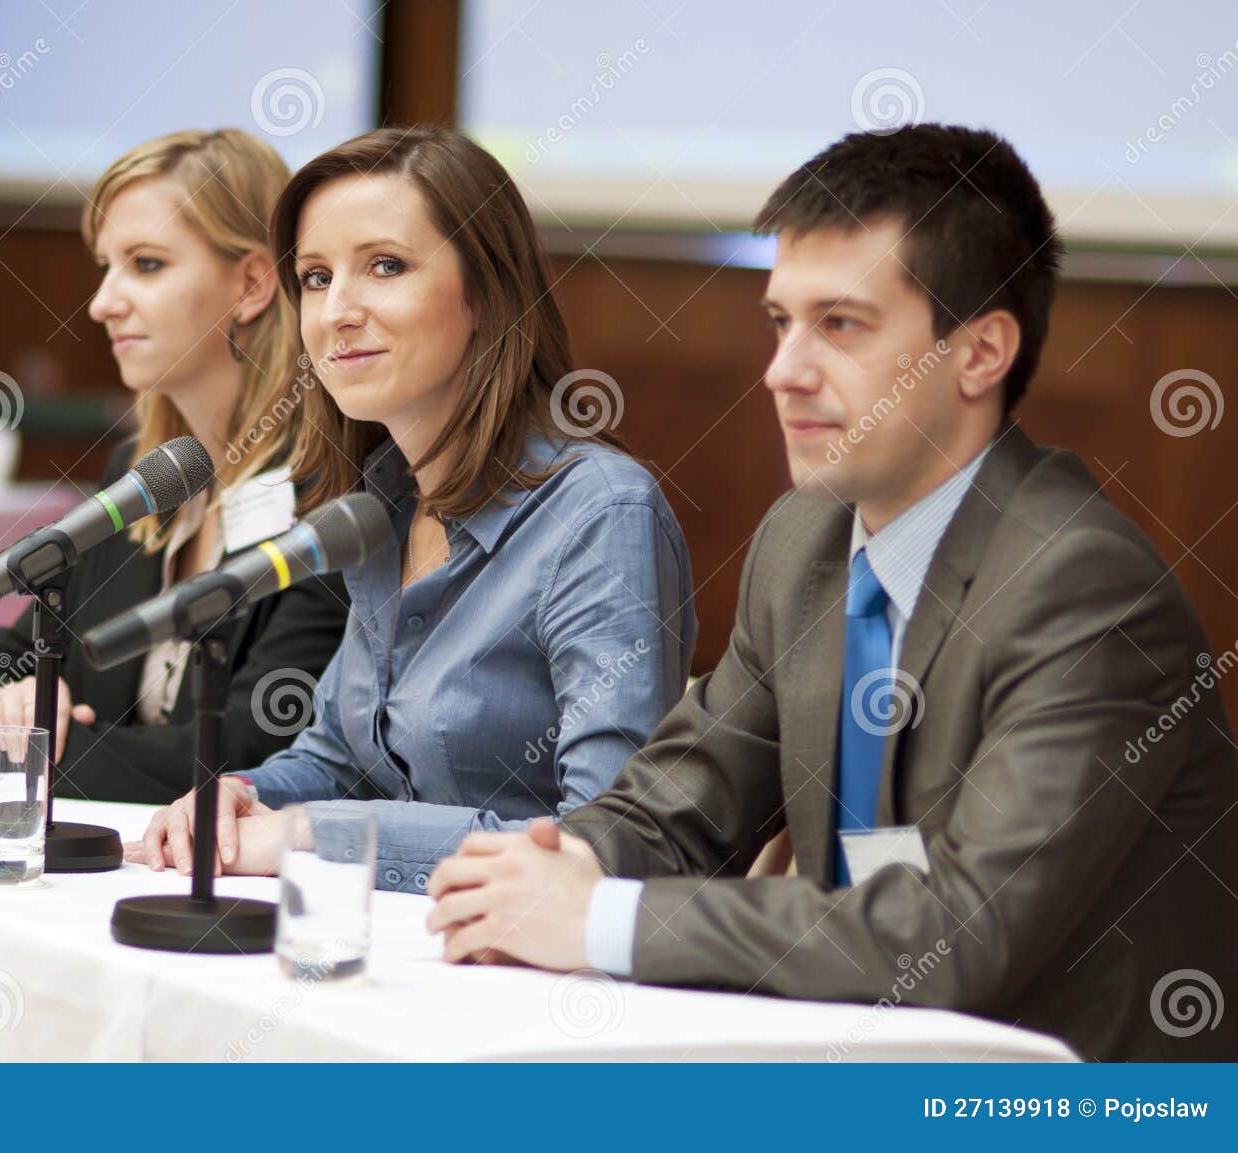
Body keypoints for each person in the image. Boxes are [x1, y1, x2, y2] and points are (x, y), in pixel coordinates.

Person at [426, 124, 1238, 1062]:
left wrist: (602, 919)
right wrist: (560, 866)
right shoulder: (805, 539)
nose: (783, 371)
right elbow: (679, 804)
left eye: (841, 325)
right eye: (782, 322)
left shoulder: (1083, 585)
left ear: (979, 352)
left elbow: (957, 935)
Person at [130, 126, 697, 892]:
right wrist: (243, 795)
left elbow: (607, 840)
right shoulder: (382, 506)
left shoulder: (599, 513)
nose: (336, 312)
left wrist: (312, 833)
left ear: (485, 293)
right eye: (317, 277)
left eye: (386, 266)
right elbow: (335, 757)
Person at [0, 129, 350, 802]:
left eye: (145, 264)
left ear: (254, 283)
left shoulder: (328, 490)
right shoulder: (142, 474)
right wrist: (16, 704)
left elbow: (244, 754)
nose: (102, 303)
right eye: (105, 266)